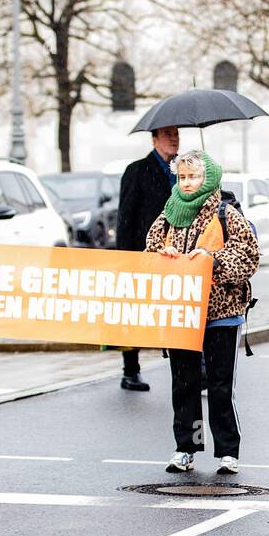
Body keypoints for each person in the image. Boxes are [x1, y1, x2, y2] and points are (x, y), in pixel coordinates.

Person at [145, 150, 259, 474]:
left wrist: (212, 260)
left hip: (222, 313)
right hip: (182, 314)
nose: (187, 183)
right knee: (185, 385)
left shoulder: (226, 213)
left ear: (207, 178)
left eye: (194, 176)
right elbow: (149, 253)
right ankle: (186, 448)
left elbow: (249, 255)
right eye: (182, 177)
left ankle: (228, 451)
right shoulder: (168, 215)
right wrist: (163, 255)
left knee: (221, 387)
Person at [116, 125, 179, 391]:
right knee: (135, 313)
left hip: (176, 255)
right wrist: (126, 260)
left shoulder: (182, 172)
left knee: (177, 311)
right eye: (168, 134)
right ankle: (130, 370)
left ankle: (191, 368)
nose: (174, 139)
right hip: (143, 253)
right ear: (154, 139)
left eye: (177, 134)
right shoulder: (137, 171)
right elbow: (126, 219)